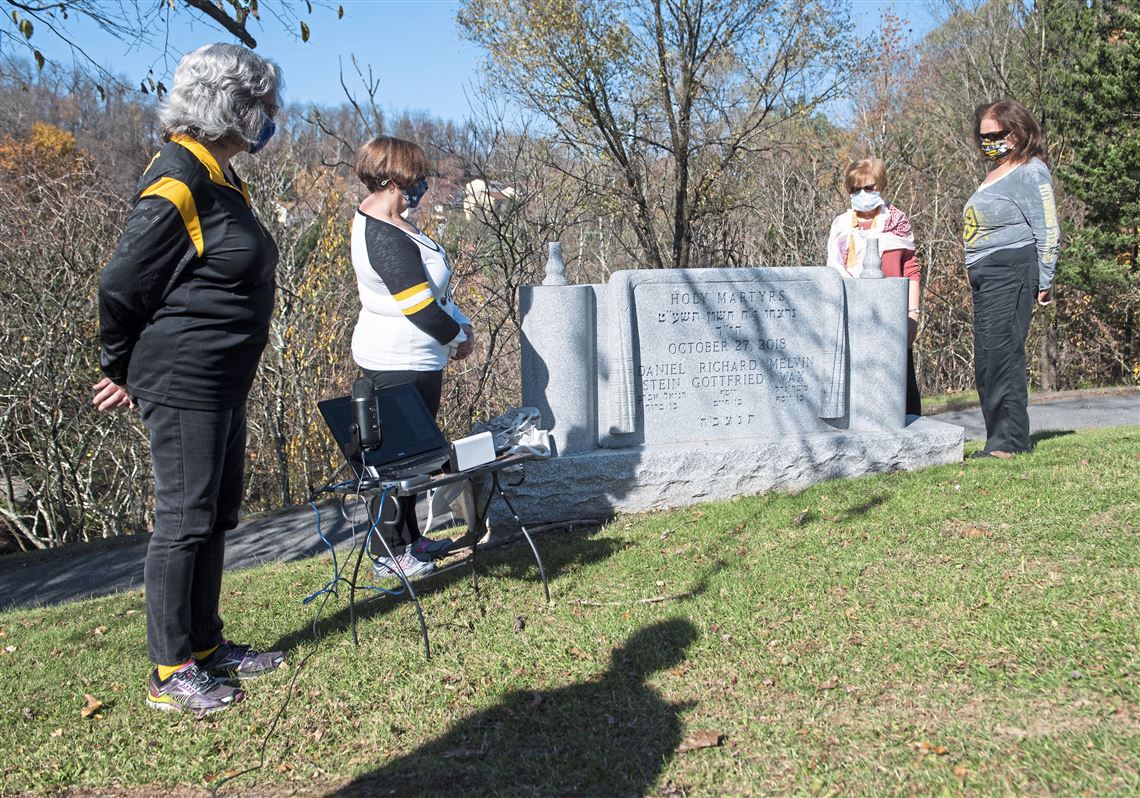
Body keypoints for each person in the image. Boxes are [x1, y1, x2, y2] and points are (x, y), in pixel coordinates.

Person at [93, 43, 285, 715]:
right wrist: (118, 363)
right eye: (264, 104)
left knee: (214, 515)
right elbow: (121, 285)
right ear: (231, 108)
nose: (272, 116)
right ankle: (171, 671)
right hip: (185, 379)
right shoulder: (178, 179)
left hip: (221, 381)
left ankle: (206, 646)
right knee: (184, 519)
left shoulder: (221, 177)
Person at [350, 136, 475, 580]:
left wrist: (460, 321)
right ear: (392, 178)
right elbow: (419, 306)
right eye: (416, 177)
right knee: (394, 460)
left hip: (422, 359)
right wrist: (457, 335)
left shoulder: (398, 223)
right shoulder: (381, 233)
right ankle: (389, 553)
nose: (421, 185)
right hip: (396, 360)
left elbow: (436, 292)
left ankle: (411, 538)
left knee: (415, 456)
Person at [963, 99, 1059, 457]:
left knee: (1003, 356)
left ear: (1019, 132)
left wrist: (1045, 279)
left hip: (1012, 272)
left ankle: (1012, 443)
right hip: (987, 279)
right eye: (984, 135)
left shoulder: (1031, 170)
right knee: (987, 359)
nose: (990, 141)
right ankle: (997, 439)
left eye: (998, 134)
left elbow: (1048, 227)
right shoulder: (994, 174)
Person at [826, 157, 923, 416]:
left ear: (881, 186)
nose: (862, 194)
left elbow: (911, 271)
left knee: (902, 386)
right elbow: (833, 273)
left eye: (869, 188)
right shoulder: (840, 226)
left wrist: (913, 316)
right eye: (855, 189)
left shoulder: (898, 222)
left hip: (892, 317)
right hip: (853, 317)